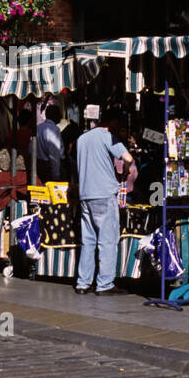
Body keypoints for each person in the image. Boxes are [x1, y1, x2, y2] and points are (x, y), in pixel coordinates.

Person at [75, 108, 134, 295]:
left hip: (85, 194)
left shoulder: (82, 139)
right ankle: (105, 284)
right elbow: (128, 158)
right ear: (113, 123)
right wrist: (124, 171)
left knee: (88, 240)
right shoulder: (108, 137)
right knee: (107, 241)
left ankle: (83, 283)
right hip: (104, 193)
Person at [36, 105, 65, 181]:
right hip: (48, 170)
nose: (61, 117)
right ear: (55, 115)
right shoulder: (54, 130)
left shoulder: (38, 128)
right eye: (59, 114)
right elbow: (54, 155)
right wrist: (56, 176)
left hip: (38, 167)